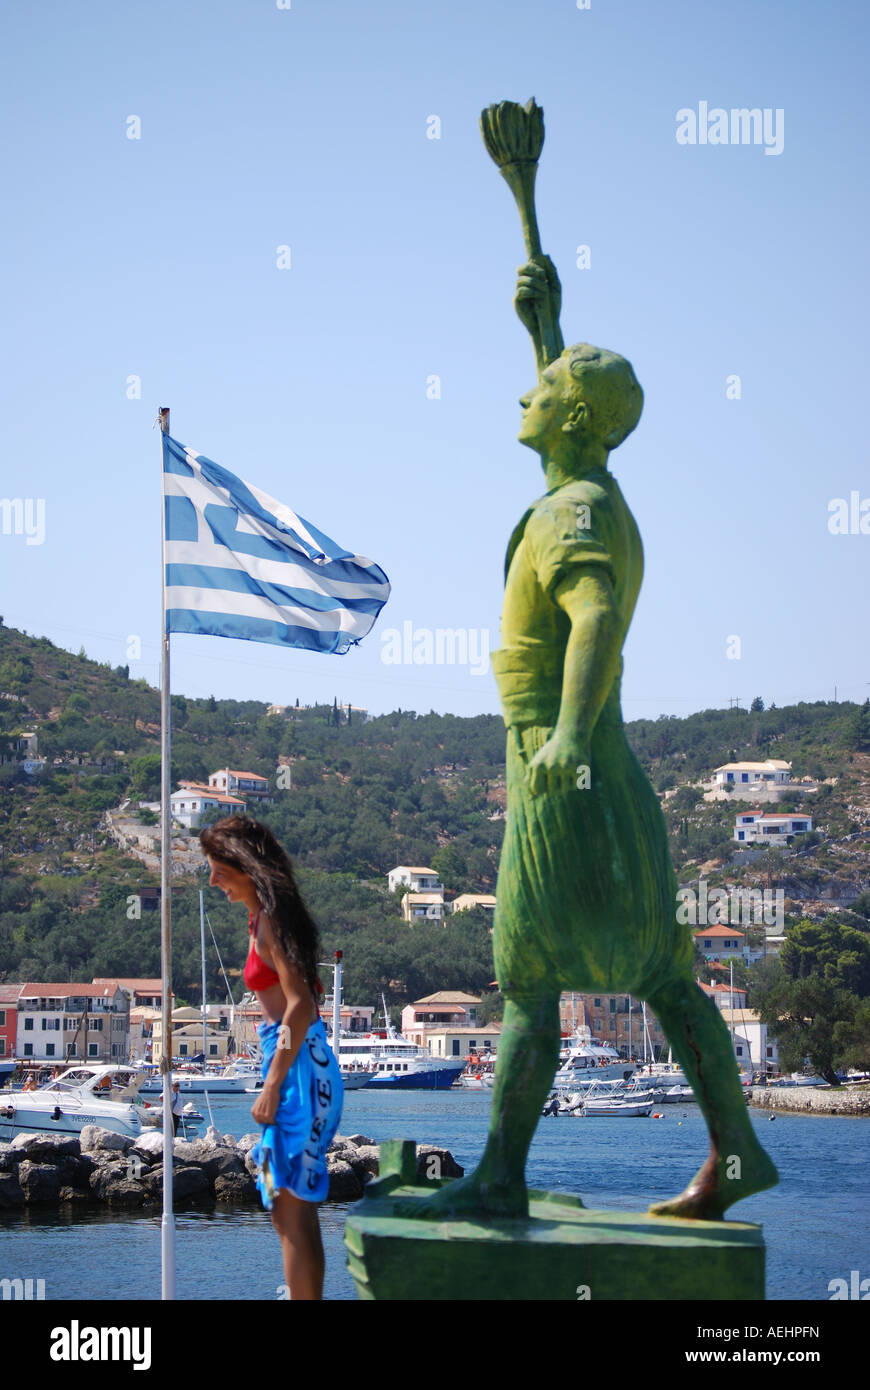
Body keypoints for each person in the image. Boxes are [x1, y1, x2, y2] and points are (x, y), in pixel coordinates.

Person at [414, 259, 777, 1223]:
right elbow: (567, 428)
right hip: (592, 771)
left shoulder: (574, 513)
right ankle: (736, 1152)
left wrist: (566, 735)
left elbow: (595, 615)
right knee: (658, 969)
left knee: (527, 972)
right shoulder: (585, 489)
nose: (525, 393)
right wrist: (551, 326)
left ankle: (499, 1177)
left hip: (560, 766)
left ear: (573, 417)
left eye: (544, 385)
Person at [200, 815, 343, 1301]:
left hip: (296, 1064)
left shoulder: (274, 920)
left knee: (288, 1205)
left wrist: (272, 1083)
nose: (213, 879)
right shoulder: (263, 915)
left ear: (244, 864)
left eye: (219, 868)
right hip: (296, 1059)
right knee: (290, 1204)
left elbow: (300, 1006)